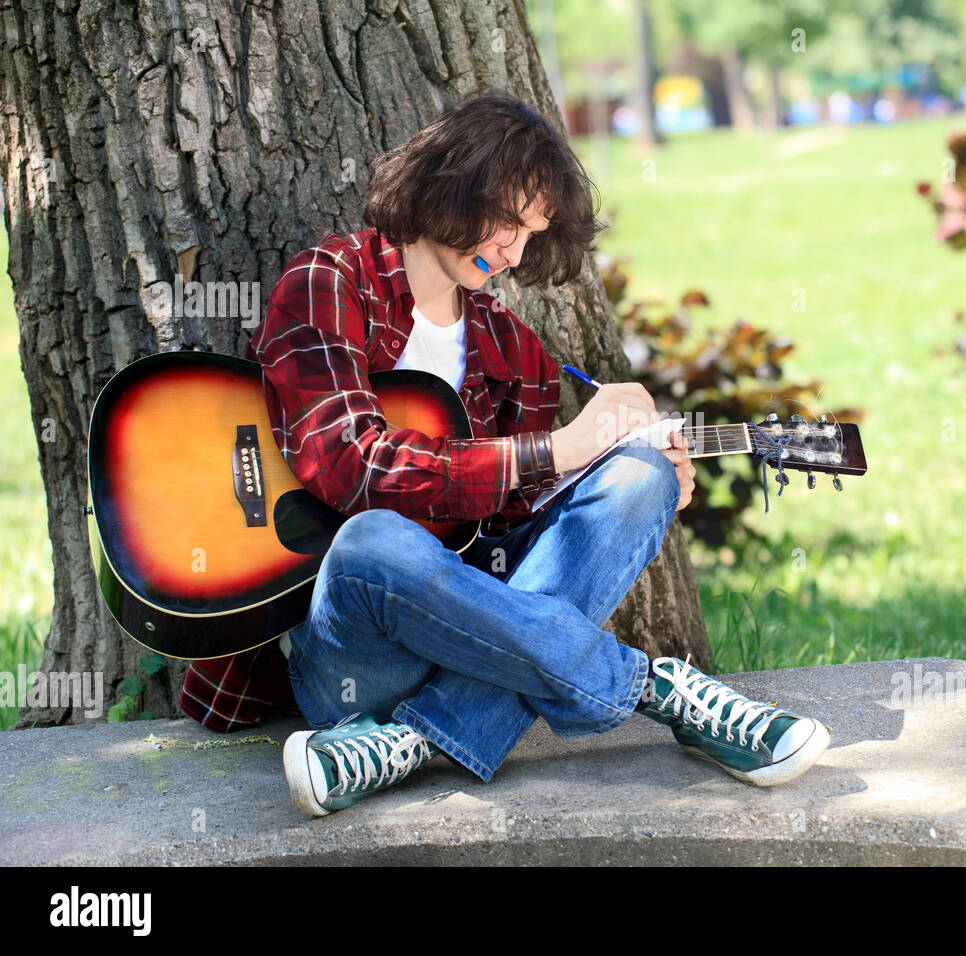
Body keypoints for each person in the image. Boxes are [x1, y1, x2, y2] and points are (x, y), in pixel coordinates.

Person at [179, 91, 830, 816]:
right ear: (452, 182)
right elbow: (349, 466)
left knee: (639, 475)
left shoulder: (508, 346)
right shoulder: (331, 283)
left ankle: (401, 746)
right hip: (359, 655)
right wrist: (555, 445)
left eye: (531, 235)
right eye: (508, 223)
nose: (513, 253)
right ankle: (652, 687)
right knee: (373, 542)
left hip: (480, 637)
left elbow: (513, 525)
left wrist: (625, 470)